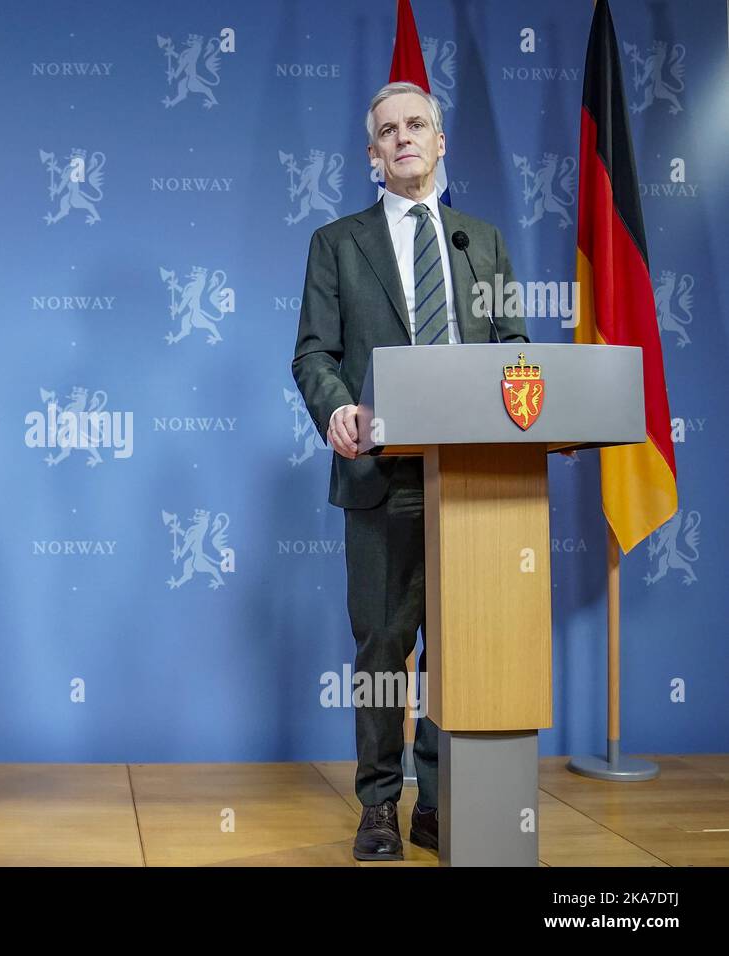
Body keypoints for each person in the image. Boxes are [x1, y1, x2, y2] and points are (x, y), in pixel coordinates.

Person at [292, 81, 528, 861]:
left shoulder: (481, 241)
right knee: (384, 650)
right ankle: (379, 806)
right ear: (372, 155)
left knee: (457, 646)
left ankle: (439, 799)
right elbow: (314, 354)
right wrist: (335, 410)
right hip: (380, 478)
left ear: (441, 140)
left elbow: (512, 353)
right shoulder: (337, 242)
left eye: (417, 125)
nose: (403, 138)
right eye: (387, 131)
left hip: (470, 482)